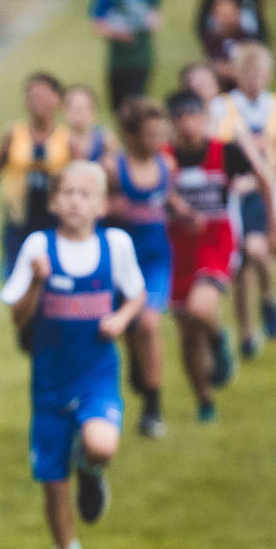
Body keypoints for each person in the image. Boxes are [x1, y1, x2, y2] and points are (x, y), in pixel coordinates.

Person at [0, 161, 145, 549]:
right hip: (49, 381)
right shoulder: (37, 247)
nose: (76, 201)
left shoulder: (115, 245)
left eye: (86, 194)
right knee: (53, 480)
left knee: (101, 445)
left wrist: (121, 319)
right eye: (68, 193)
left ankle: (93, 470)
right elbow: (18, 317)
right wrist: (36, 284)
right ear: (54, 201)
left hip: (96, 373)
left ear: (101, 205)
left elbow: (135, 295)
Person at [166, 87, 276, 423]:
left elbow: (265, 180)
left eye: (195, 116)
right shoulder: (164, 156)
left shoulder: (225, 152)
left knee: (201, 309)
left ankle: (220, 339)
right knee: (186, 331)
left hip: (216, 242)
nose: (189, 125)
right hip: (176, 247)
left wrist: (274, 228)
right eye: (181, 118)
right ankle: (203, 398)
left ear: (205, 118)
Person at [210, 42, 276, 357]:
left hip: (267, 190)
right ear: (236, 74)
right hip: (236, 191)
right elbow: (220, 149)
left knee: (258, 250)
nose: (254, 78)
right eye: (247, 72)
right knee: (240, 267)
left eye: (259, 72)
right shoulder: (222, 107)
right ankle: (247, 332)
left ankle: (269, 299)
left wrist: (266, 163)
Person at [104, 97, 178, 438]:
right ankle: (139, 366)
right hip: (118, 263)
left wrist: (185, 212)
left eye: (160, 132)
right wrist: (111, 208)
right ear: (131, 136)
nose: (157, 139)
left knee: (149, 323)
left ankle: (152, 405)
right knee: (130, 329)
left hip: (154, 259)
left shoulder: (166, 165)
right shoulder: (111, 168)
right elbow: (92, 205)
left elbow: (169, 199)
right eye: (150, 133)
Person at [0, 72, 72, 283]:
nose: (36, 101)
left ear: (56, 99)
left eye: (42, 95)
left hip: (53, 220)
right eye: (31, 95)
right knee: (15, 276)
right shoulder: (14, 133)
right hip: (18, 220)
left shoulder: (67, 139)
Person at [90, 0, 164, 112]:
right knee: (118, 106)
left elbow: (156, 17)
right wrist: (116, 33)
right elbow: (96, 24)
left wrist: (151, 22)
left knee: (136, 105)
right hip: (117, 59)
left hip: (140, 57)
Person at [64, 84, 120, 163]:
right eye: (73, 108)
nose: (78, 113)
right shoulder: (61, 137)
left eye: (83, 108)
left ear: (93, 112)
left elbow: (119, 162)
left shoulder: (105, 136)